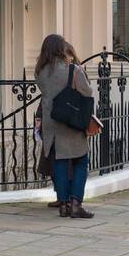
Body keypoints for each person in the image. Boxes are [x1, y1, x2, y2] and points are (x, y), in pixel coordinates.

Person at [35, 34, 95, 219]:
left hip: (51, 123)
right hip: (71, 120)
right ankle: (76, 204)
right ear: (61, 49)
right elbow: (87, 91)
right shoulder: (73, 70)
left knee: (59, 162)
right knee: (80, 161)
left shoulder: (40, 73)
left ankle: (63, 204)